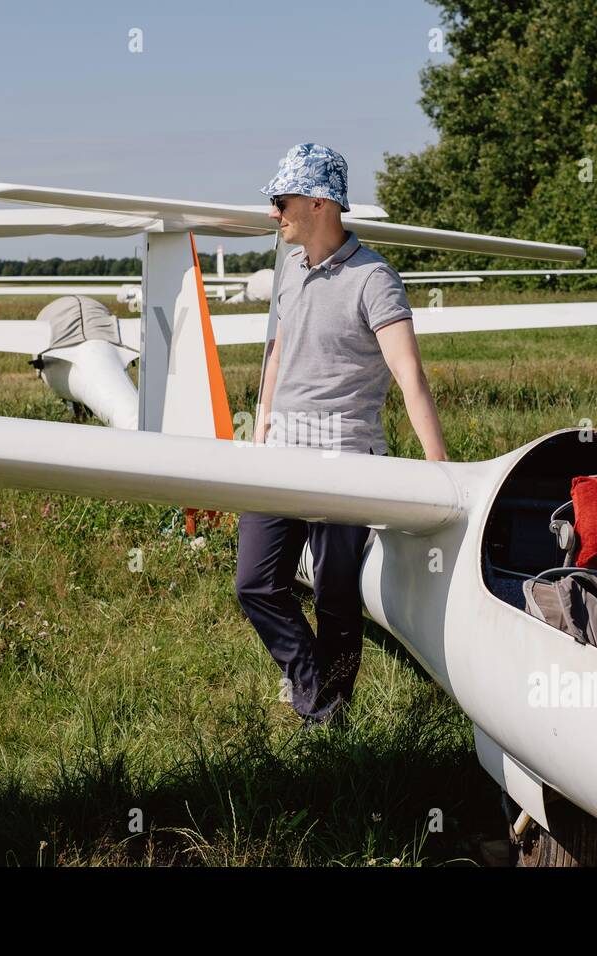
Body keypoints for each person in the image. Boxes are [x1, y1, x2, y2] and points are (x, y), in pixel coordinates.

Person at [235, 143, 449, 728]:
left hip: (346, 459)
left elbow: (409, 374)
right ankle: (317, 695)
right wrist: (261, 439)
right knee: (255, 585)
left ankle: (325, 720)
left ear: (319, 203)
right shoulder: (288, 272)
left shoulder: (373, 277)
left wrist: (441, 473)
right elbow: (276, 358)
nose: (274, 213)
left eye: (282, 202)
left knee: (334, 596)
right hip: (281, 457)